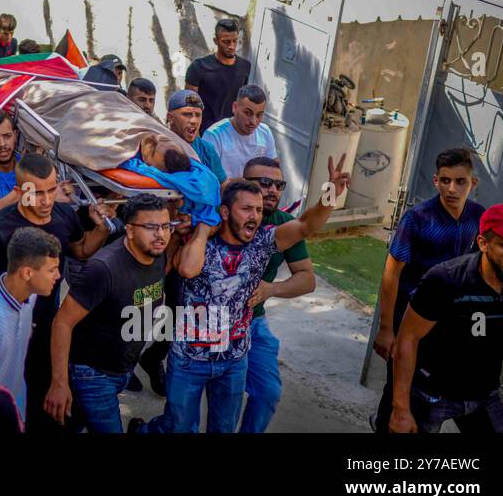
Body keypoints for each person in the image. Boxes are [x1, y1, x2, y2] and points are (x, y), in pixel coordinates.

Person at [135, 159, 349, 434]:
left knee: (224, 428)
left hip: (234, 360)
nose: (255, 216)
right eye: (247, 209)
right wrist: (203, 228)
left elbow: (306, 226)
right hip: (190, 359)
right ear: (224, 212)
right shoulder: (201, 240)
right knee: (178, 427)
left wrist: (330, 193)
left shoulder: (263, 242)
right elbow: (187, 269)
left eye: (258, 210)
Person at [0, 153, 114, 431]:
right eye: (36, 193)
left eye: (52, 190)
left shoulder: (64, 215)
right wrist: (3, 317)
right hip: (4, 336)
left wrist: (100, 229)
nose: (46, 200)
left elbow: (81, 250)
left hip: (47, 328)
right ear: (18, 192)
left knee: (47, 405)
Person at [46, 195, 209, 433]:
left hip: (123, 367)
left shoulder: (157, 251)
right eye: (151, 227)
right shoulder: (103, 269)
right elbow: (62, 323)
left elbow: (164, 268)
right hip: (93, 374)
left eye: (165, 226)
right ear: (130, 230)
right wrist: (59, 384)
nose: (161, 235)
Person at [371, 147, 486, 434]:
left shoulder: (478, 217)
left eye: (460, 181)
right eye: (445, 180)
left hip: (449, 323)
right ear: (435, 181)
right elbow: (391, 272)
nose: (452, 188)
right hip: (409, 317)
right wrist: (386, 328)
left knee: (430, 387)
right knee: (398, 384)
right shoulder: (418, 218)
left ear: (473, 184)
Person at [388, 204, 503, 434]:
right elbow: (408, 337)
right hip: (432, 392)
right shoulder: (445, 280)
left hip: (485, 393)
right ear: (483, 244)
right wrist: (400, 408)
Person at [237, 156, 316, 433]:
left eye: (279, 185)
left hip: (254, 323)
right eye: (265, 183)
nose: (273, 190)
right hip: (211, 323)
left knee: (268, 393)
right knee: (217, 400)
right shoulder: (222, 215)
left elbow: (307, 279)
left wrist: (272, 289)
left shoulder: (283, 224)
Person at [0, 227, 61, 417]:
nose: (57, 276)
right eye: (52, 270)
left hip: (15, 409)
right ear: (27, 273)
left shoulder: (29, 296)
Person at [185, 17, 252, 131]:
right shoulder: (198, 67)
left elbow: (240, 102)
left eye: (235, 40)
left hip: (229, 132)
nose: (231, 46)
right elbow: (189, 107)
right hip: (203, 132)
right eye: (226, 42)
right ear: (215, 41)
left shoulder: (245, 66)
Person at [200, 84, 277, 179]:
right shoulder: (214, 136)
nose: (253, 121)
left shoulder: (265, 132)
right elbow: (208, 179)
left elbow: (273, 171)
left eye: (259, 115)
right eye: (248, 113)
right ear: (234, 107)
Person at [165, 88, 226, 183]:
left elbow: (222, 186)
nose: (194, 121)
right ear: (171, 118)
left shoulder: (206, 149)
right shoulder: (159, 146)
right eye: (187, 114)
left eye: (198, 115)